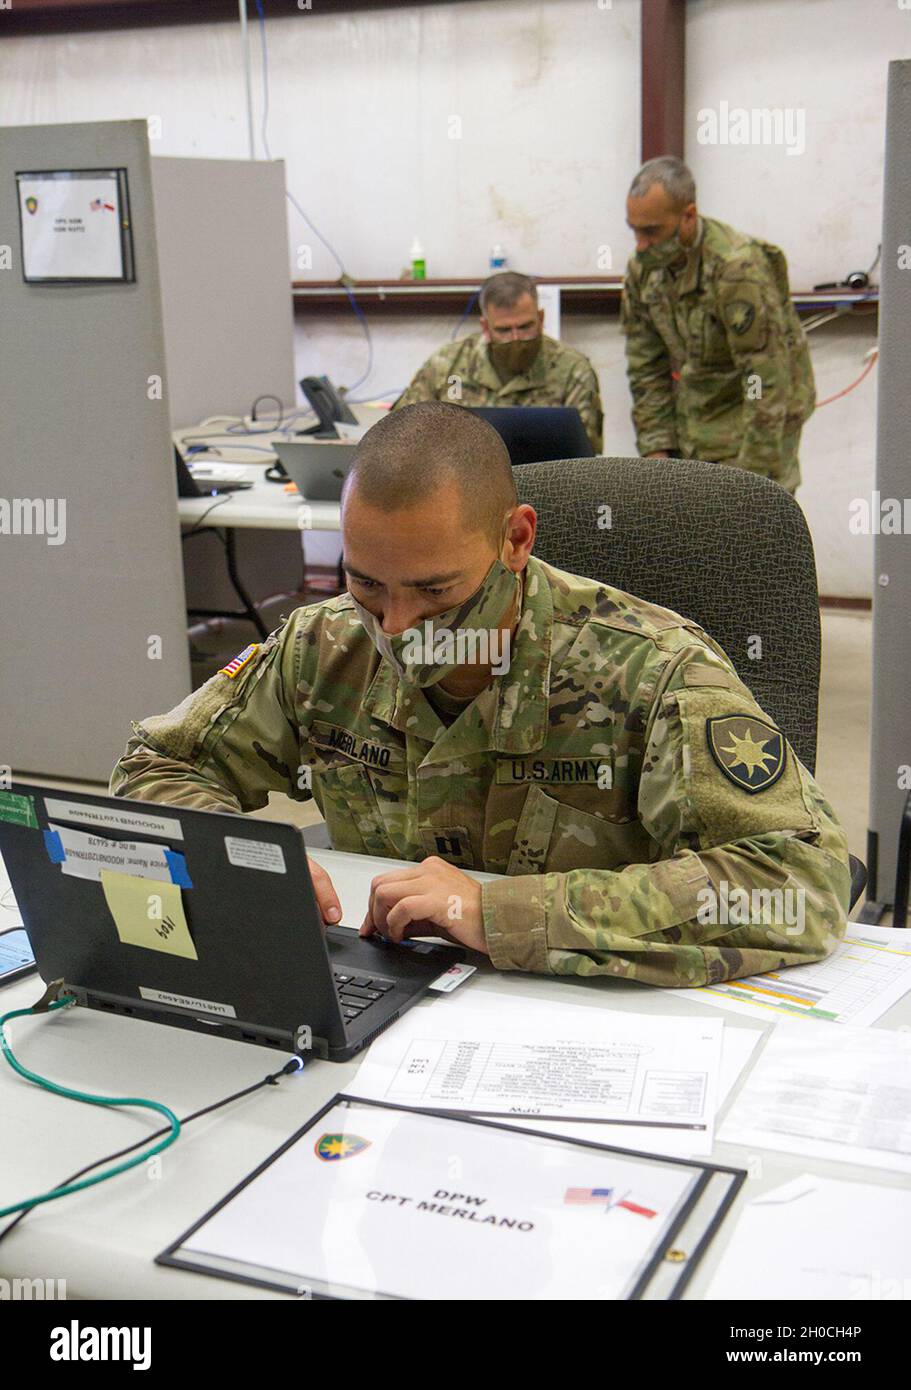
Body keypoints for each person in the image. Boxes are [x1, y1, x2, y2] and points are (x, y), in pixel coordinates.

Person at [110, 403, 849, 987]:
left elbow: (798, 883)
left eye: (435, 591)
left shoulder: (650, 671)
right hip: (392, 996)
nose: (395, 628)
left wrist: (499, 913)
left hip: (588, 1019)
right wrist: (234, 853)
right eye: (366, 583)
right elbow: (156, 765)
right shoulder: (325, 644)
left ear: (516, 540)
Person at [621, 156, 815, 492]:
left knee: (752, 533)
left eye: (652, 231)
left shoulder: (737, 270)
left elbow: (765, 380)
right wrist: (657, 449)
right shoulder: (645, 269)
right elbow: (645, 367)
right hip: (696, 414)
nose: (640, 244)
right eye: (634, 230)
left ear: (688, 217)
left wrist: (753, 481)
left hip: (756, 421)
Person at [394, 271, 603, 452]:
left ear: (541, 318)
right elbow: (401, 434)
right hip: (460, 488)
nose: (515, 339)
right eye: (503, 330)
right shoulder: (447, 365)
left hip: (545, 487)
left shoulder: (573, 370)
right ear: (485, 327)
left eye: (525, 327)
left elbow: (584, 457)